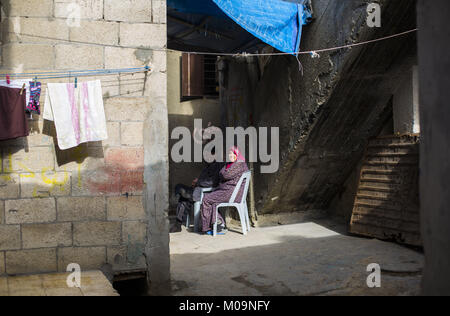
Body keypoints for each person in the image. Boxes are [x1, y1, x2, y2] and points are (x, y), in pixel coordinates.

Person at [201, 146, 249, 235]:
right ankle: (219, 224)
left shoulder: (239, 163)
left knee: (206, 199)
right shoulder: (232, 163)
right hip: (229, 191)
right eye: (229, 154)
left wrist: (222, 171)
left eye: (232, 153)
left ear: (236, 154)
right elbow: (222, 173)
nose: (230, 155)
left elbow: (225, 174)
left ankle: (208, 227)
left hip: (231, 193)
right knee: (212, 200)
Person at [171, 154, 225, 233]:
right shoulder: (209, 165)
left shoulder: (218, 165)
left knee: (182, 192)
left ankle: (178, 224)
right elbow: (205, 179)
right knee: (183, 196)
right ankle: (178, 223)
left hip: (206, 192)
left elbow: (213, 182)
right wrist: (197, 181)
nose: (206, 157)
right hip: (198, 190)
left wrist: (198, 182)